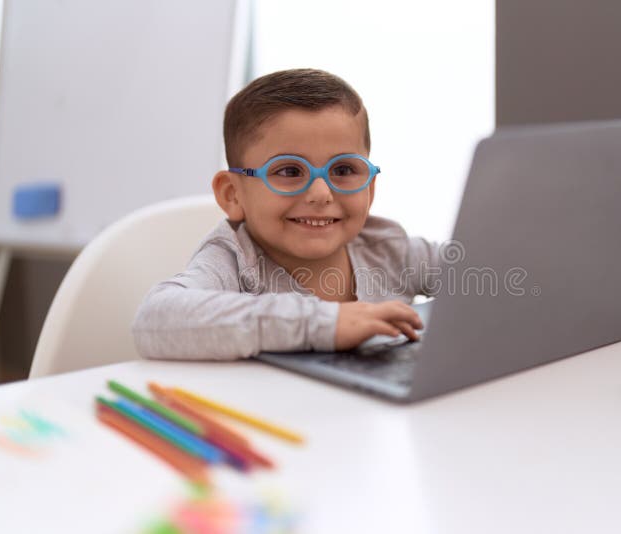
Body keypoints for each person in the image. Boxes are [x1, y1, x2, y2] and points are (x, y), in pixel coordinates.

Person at [132, 68, 441, 360]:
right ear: (233, 194)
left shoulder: (387, 249)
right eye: (290, 170)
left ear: (369, 189)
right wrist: (324, 323)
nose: (321, 194)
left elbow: (485, 270)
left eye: (344, 169)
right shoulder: (235, 262)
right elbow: (155, 318)